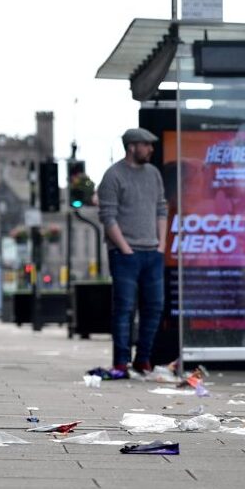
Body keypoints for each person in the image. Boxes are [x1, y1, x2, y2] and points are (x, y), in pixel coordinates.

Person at [97, 127, 168, 377]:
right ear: (132, 147)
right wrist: (125, 248)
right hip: (124, 254)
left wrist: (161, 245)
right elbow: (107, 216)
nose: (150, 149)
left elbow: (161, 209)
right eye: (146, 145)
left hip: (152, 253)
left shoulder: (153, 174)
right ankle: (120, 362)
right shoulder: (113, 176)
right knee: (125, 308)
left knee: (154, 307)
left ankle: (143, 359)